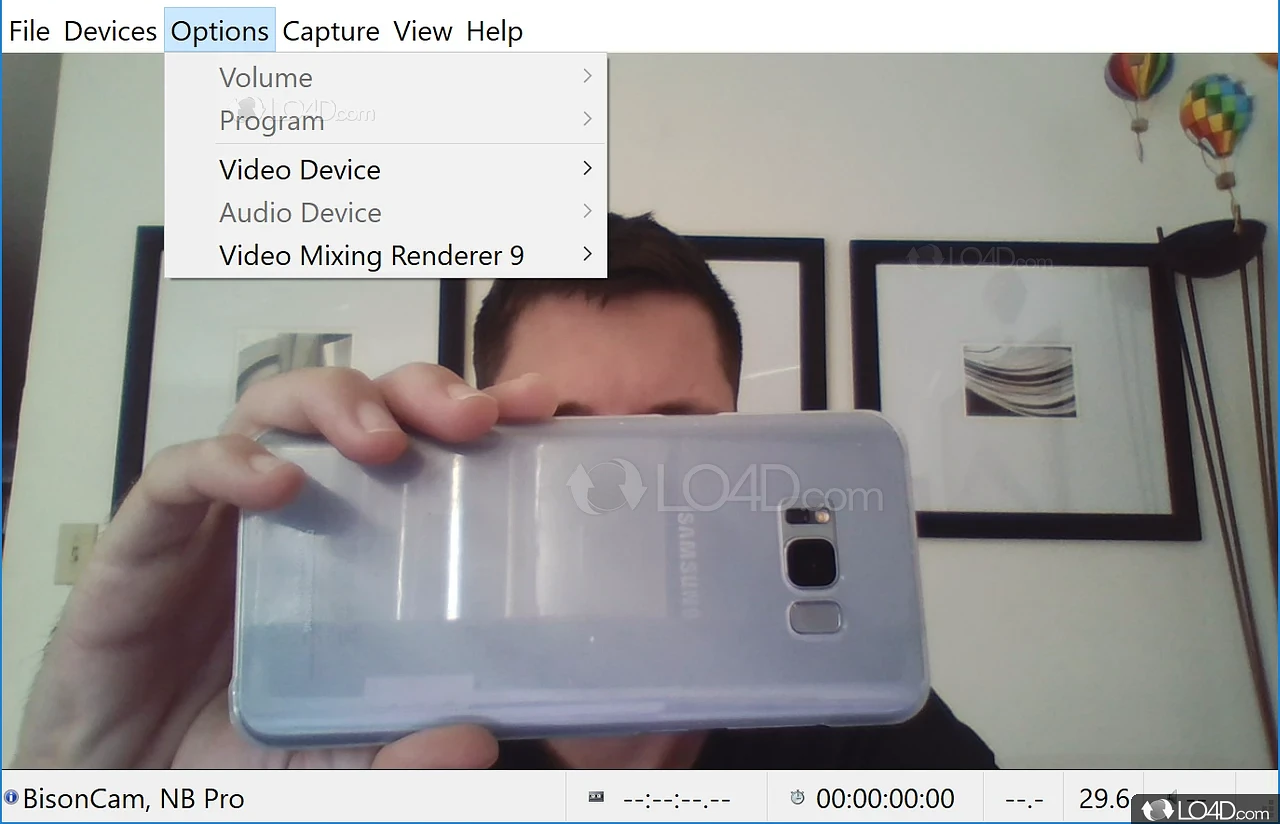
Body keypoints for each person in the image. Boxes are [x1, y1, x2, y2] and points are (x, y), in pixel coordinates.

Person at [12, 213, 996, 769]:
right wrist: (97, 782)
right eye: (567, 433)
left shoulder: (873, 732)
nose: (627, 493)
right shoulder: (358, 723)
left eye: (674, 432)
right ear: (483, 432)